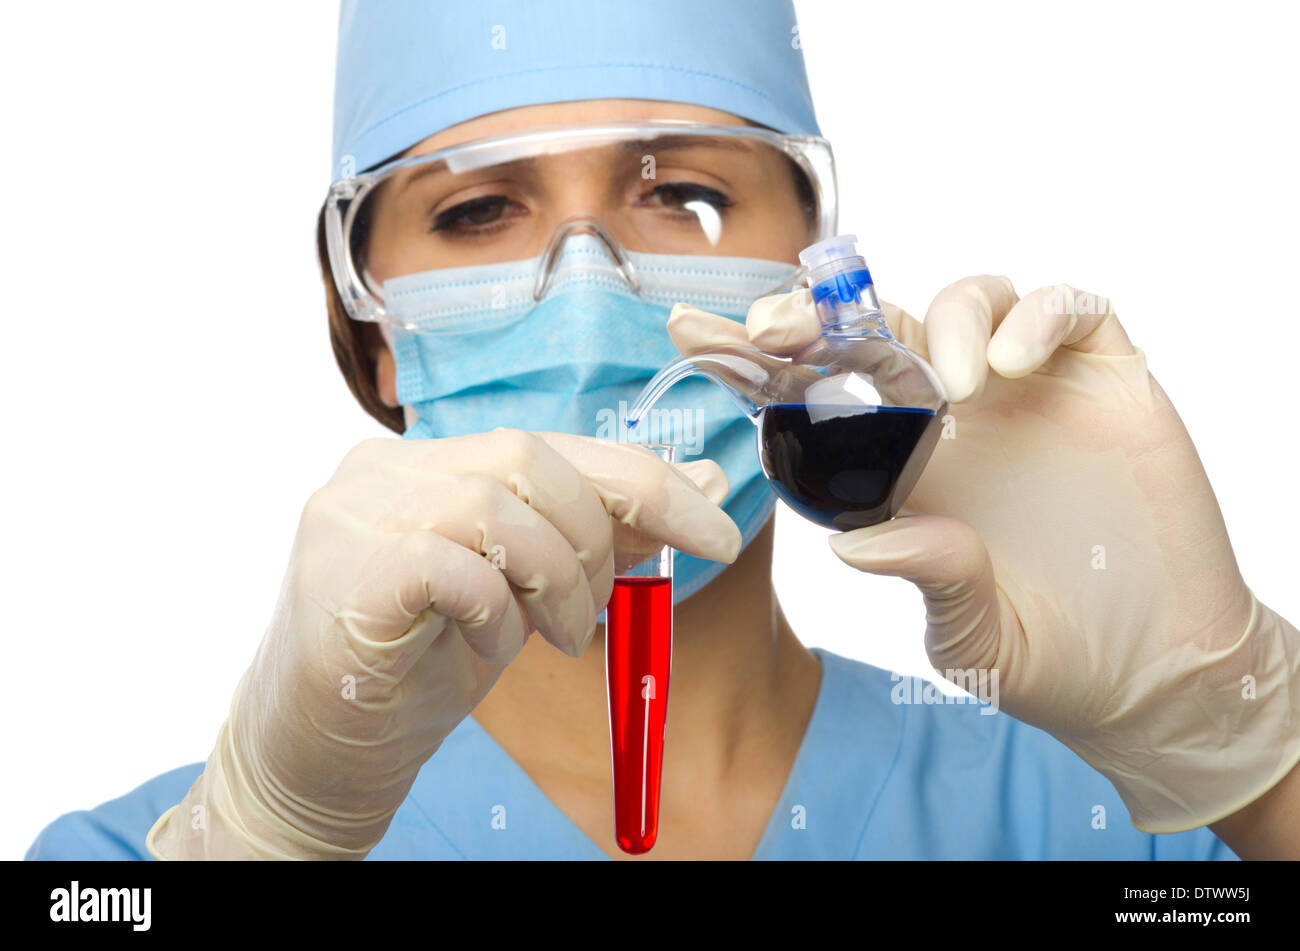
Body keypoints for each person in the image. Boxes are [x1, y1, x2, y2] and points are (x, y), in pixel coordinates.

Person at [26, 0, 1300, 861]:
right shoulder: (126, 864)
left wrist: (1240, 736)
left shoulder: (1116, 830)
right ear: (369, 328)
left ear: (817, 273)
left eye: (682, 196)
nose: (588, 296)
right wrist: (258, 844)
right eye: (477, 213)